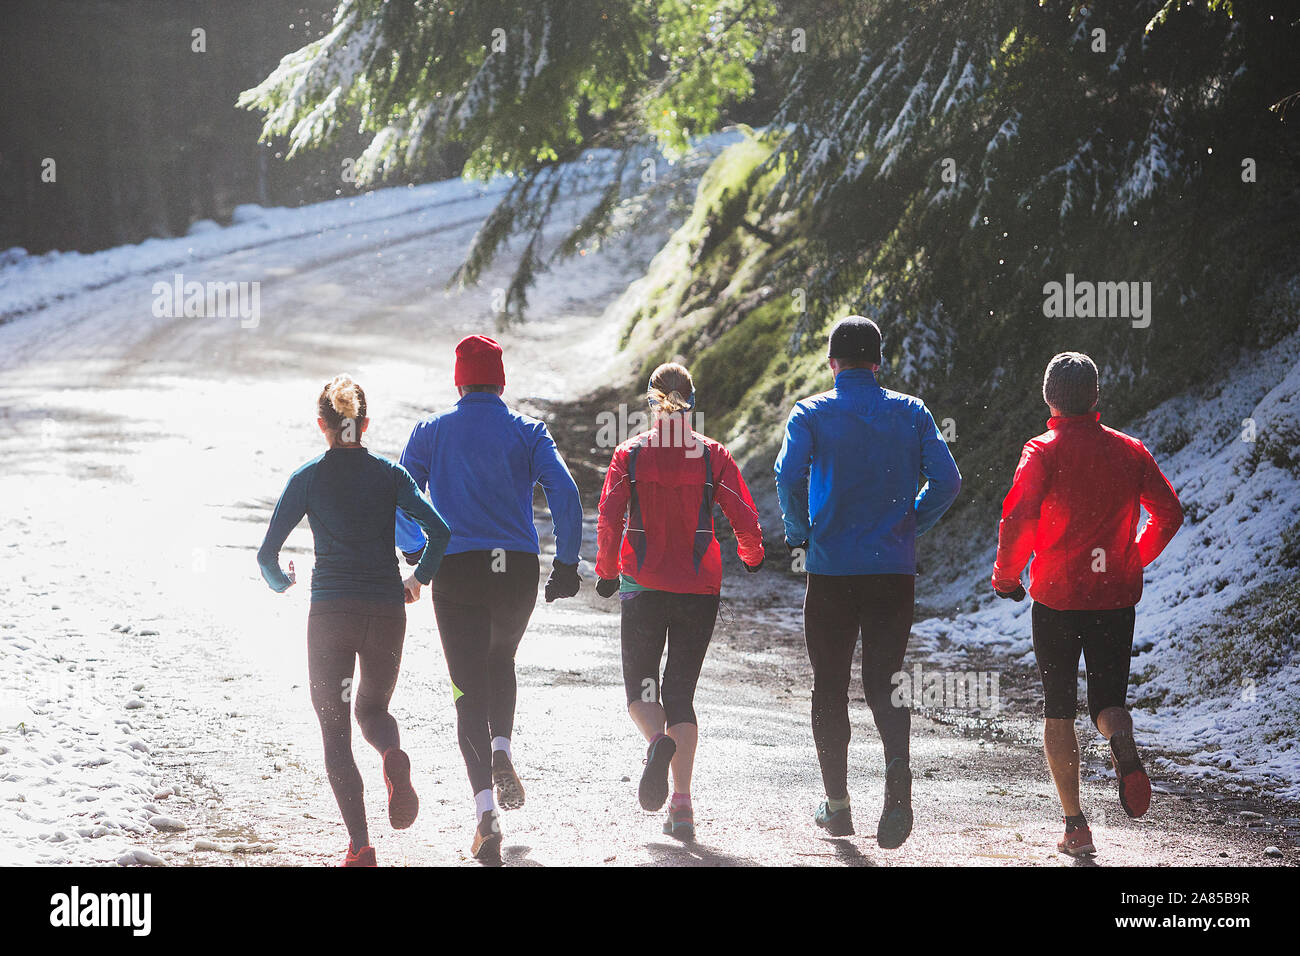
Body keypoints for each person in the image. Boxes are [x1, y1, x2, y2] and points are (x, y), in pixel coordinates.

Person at [394, 334, 583, 865]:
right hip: (516, 570)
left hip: (456, 567)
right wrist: (567, 562)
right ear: (501, 380)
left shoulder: (431, 431)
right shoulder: (527, 430)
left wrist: (417, 554)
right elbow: (565, 493)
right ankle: (502, 749)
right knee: (502, 658)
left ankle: (484, 814)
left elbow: (400, 499)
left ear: (458, 380)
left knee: (464, 687)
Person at [774, 316, 960, 849]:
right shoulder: (911, 411)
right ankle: (897, 775)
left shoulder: (811, 411)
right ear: (878, 362)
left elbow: (788, 476)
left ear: (832, 363)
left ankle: (837, 806)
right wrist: (910, 522)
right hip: (892, 572)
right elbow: (948, 480)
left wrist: (798, 531)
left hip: (832, 570)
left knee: (829, 686)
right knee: (886, 680)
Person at [991, 351, 1182, 857]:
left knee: (1059, 707)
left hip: (1056, 597)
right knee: (1108, 703)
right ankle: (1122, 745)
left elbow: (1018, 520)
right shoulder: (1130, 450)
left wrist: (1006, 577)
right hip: (1114, 597)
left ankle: (1076, 826)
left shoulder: (1041, 452)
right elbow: (1169, 512)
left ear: (1049, 397)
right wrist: (1132, 558)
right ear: (1096, 396)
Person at [257, 374, 451, 867]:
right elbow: (440, 531)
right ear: (364, 424)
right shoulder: (390, 475)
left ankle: (361, 846)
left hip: (330, 615)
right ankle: (391, 756)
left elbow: (266, 556)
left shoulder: (308, 478)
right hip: (385, 610)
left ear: (322, 425)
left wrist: (284, 582)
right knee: (372, 712)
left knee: (335, 732)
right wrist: (418, 577)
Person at [594, 363, 764, 840]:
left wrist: (606, 572)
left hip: (643, 584)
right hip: (699, 587)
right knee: (681, 695)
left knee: (640, 692)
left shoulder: (630, 455)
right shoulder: (713, 457)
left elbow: (608, 519)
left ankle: (655, 743)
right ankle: (683, 805)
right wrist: (752, 555)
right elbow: (743, 514)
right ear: (693, 402)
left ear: (651, 403)